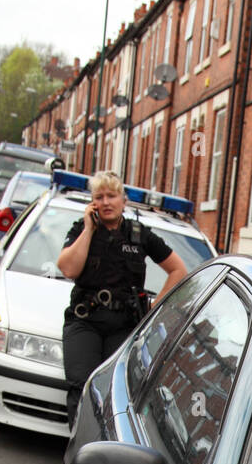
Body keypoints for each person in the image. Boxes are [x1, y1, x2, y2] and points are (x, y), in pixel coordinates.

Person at [57, 170, 187, 427]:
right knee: (80, 386)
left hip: (123, 326)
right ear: (92, 202)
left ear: (123, 200)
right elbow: (68, 268)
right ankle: (78, 446)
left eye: (112, 196)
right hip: (86, 321)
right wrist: (88, 228)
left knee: (112, 392)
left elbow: (178, 270)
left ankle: (105, 449)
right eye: (99, 197)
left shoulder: (140, 235)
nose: (106, 202)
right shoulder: (82, 230)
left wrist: (155, 308)